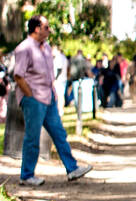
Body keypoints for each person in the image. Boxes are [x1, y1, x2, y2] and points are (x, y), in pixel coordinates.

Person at [10, 15, 93, 186]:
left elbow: (49, 75)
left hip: (49, 98)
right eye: (46, 27)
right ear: (36, 29)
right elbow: (18, 75)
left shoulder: (46, 48)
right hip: (33, 98)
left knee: (59, 133)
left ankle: (72, 168)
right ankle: (27, 175)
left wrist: (54, 93)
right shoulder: (24, 48)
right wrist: (29, 95)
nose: (49, 30)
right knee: (33, 137)